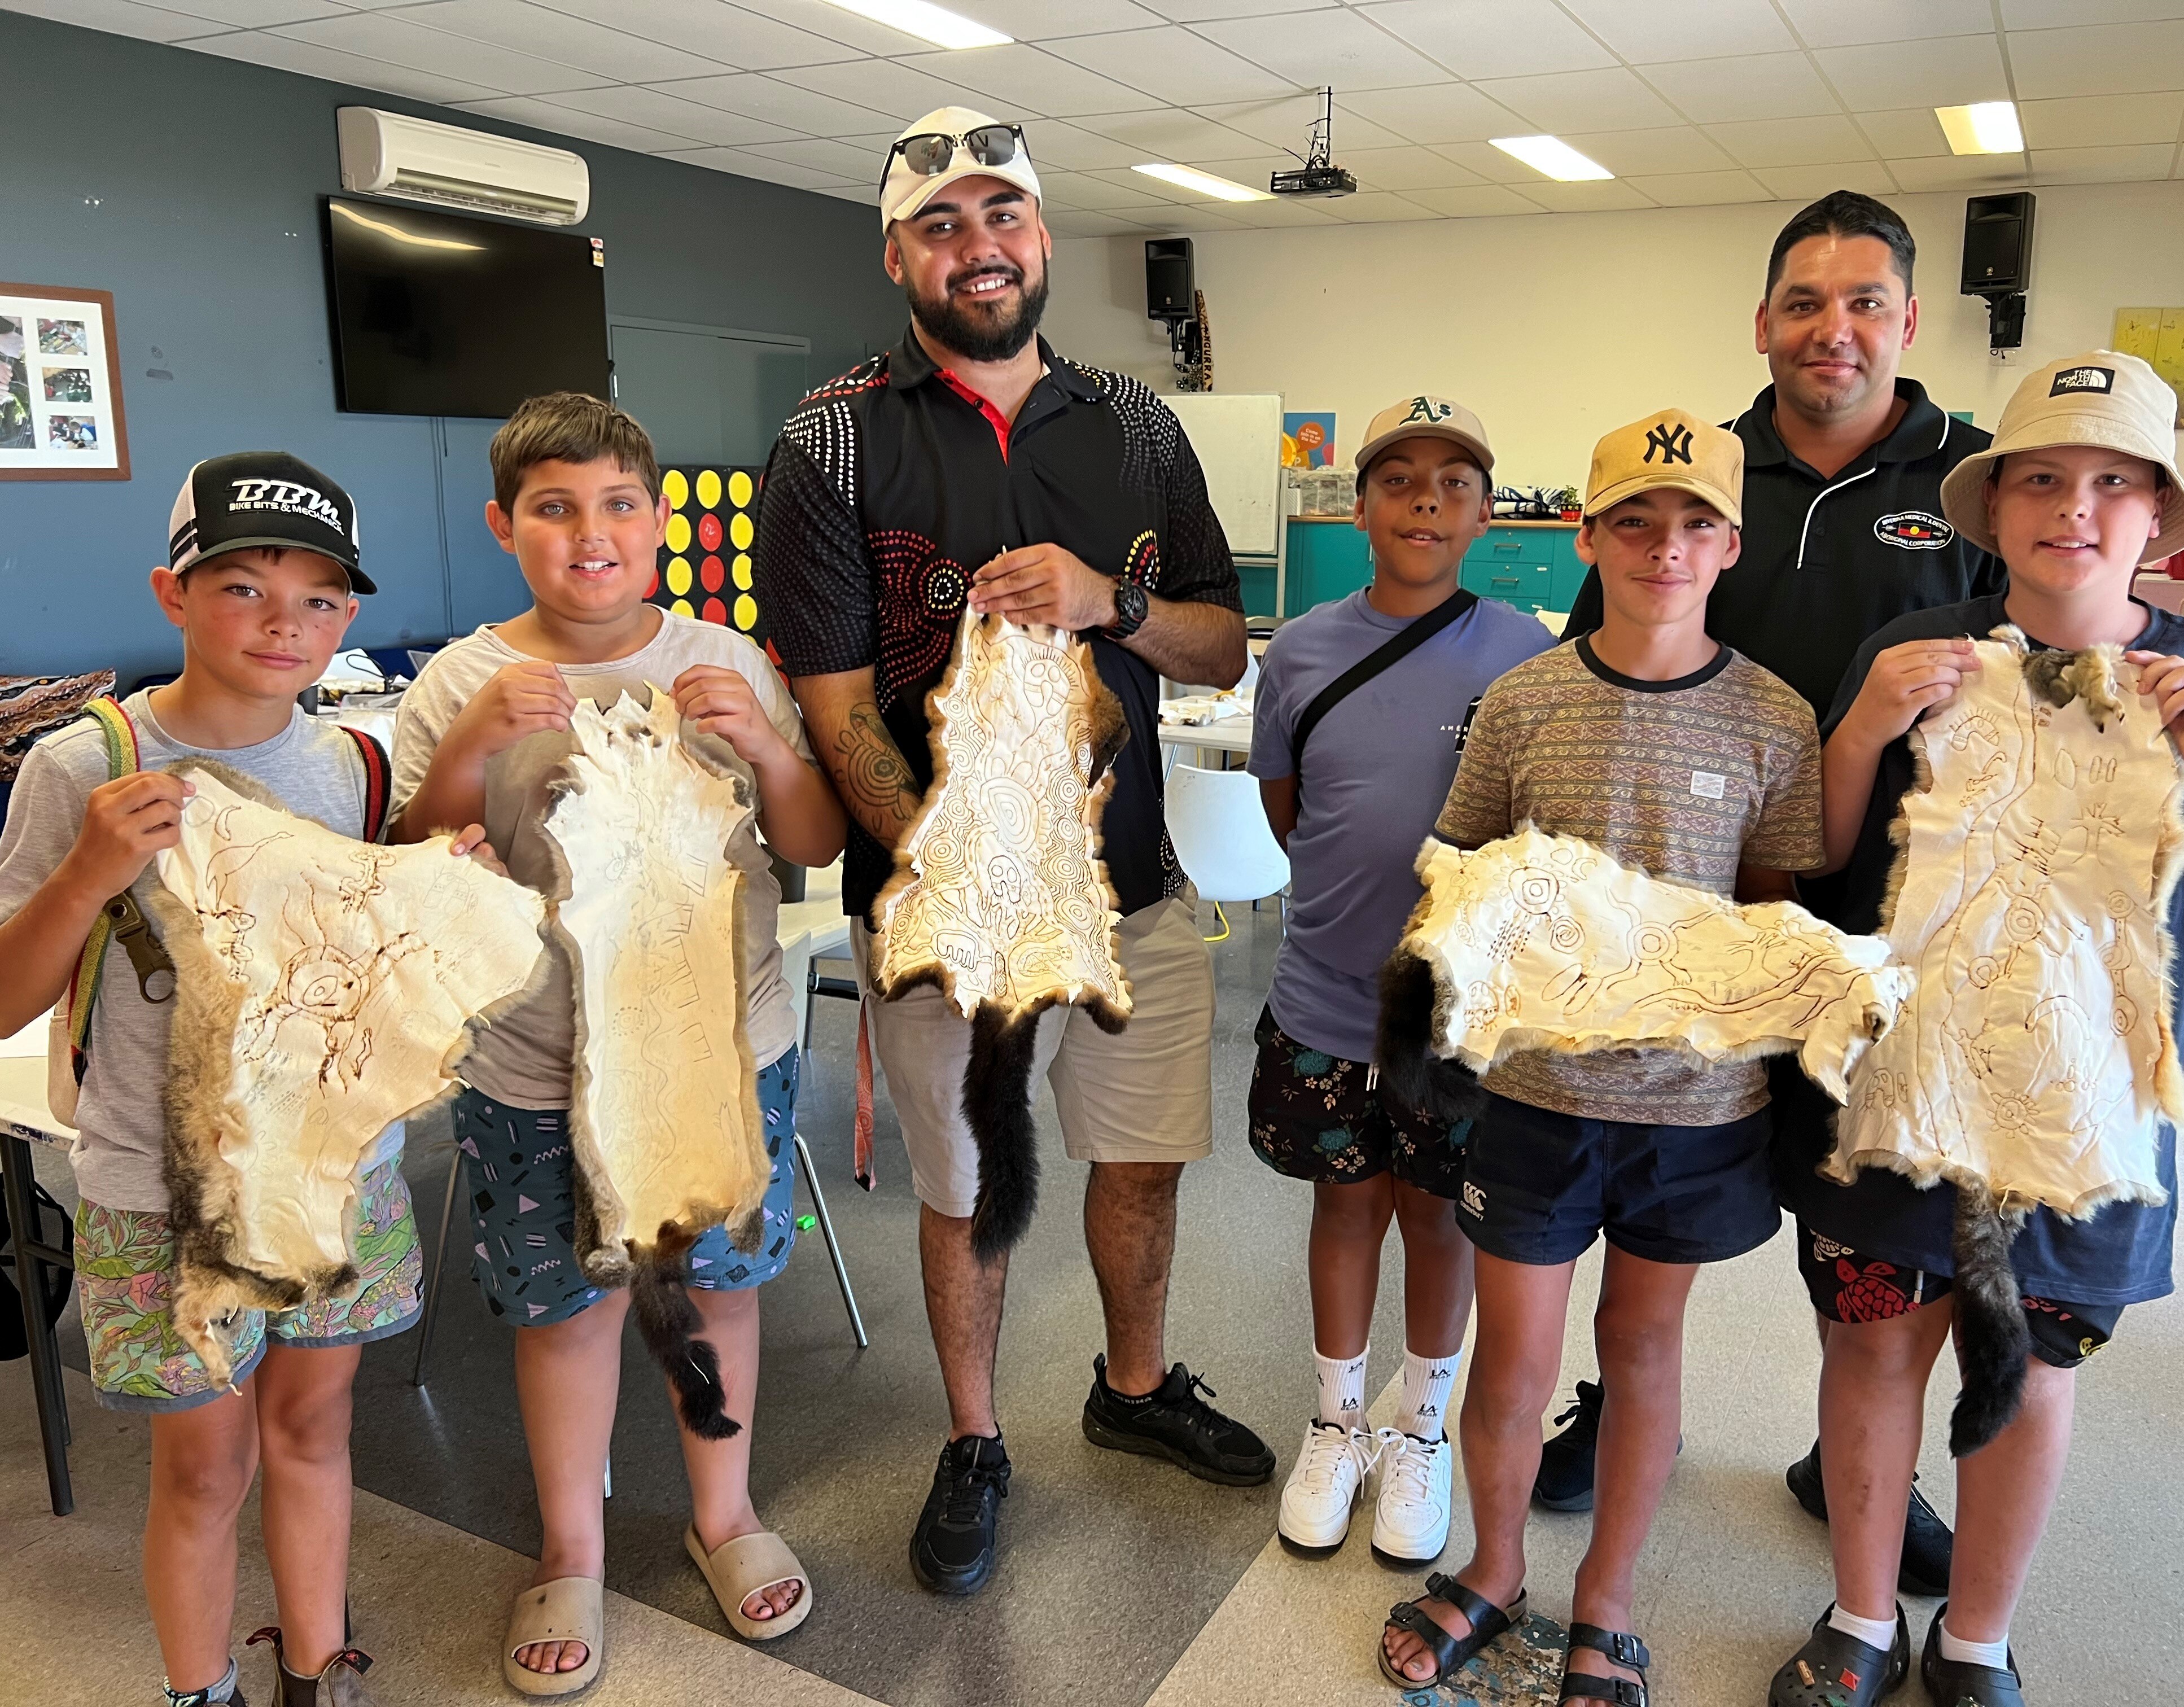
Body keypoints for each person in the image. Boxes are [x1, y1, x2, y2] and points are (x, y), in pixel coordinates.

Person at [750, 106, 1267, 1599]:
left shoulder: (1138, 424)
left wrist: (1118, 603)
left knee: (1141, 1157)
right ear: (901, 254)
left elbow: (1219, 637)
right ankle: (975, 1438)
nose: (980, 248)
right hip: (944, 919)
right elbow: (841, 718)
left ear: (1041, 234)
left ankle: (1135, 1381)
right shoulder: (829, 443)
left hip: (1133, 898)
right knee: (964, 1182)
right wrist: (970, 878)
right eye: (943, 225)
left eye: (1004, 217)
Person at [1767, 351, 2184, 1707]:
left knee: (2036, 1372)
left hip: (2087, 1117)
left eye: (2115, 483)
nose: (2076, 508)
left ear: (2162, 517)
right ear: (1990, 512)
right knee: (1874, 1347)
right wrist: (1869, 727)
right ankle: (1864, 1616)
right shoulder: (1912, 655)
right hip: (1903, 1090)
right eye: (2041, 478)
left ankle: (1977, 1636)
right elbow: (1816, 852)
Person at [1547, 194, 1994, 1587]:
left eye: (1866, 301)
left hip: (1901, 940)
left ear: (1911, 324)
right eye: (1805, 302)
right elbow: (1602, 679)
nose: (1834, 329)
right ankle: (1629, 1413)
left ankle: (1859, 1466)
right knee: (1655, 1193)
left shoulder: (1977, 483)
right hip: (1713, 925)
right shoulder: (1705, 476)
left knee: (1867, 1230)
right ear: (1763, 325)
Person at [389, 393, 844, 1696]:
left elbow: (809, 845)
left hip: (718, 1046)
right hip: (533, 1062)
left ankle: (724, 1512)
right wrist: (475, 750)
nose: (591, 535)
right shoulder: (460, 683)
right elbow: (413, 874)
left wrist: (759, 738)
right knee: (567, 1312)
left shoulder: (728, 661)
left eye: (617, 505)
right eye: (554, 507)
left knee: (722, 1285)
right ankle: (571, 1546)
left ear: (658, 521)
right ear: (504, 525)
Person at [1376, 409, 1824, 1702]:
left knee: (1641, 1348)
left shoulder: (1773, 719)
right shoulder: (1522, 700)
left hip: (1692, 1111)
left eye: (1693, 523)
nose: (1664, 546)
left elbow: (1762, 914)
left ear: (1731, 543)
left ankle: (1609, 1601)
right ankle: (1495, 1567)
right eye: (1634, 519)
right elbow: (1458, 880)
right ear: (1585, 534)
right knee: (1512, 1360)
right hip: (1533, 1098)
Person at [0, 454, 444, 1707]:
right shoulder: (81, 765)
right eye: (243, 587)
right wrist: (90, 873)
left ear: (348, 617)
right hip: (158, 1189)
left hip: (330, 1180)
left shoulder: (358, 768)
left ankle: (316, 1673)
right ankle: (196, 1691)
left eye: (317, 599)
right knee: (203, 1471)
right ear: (173, 593)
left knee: (313, 1434)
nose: (283, 623)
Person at [1246, 396, 1551, 1564]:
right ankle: (1337, 1417)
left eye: (1455, 482)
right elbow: (1291, 811)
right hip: (1327, 997)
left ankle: (1418, 1426)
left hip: (1463, 1015)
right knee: (1344, 1206)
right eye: (1402, 480)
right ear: (1360, 505)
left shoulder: (1528, 652)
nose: (1427, 501)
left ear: (1483, 511)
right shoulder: (1304, 648)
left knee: (1438, 1214)